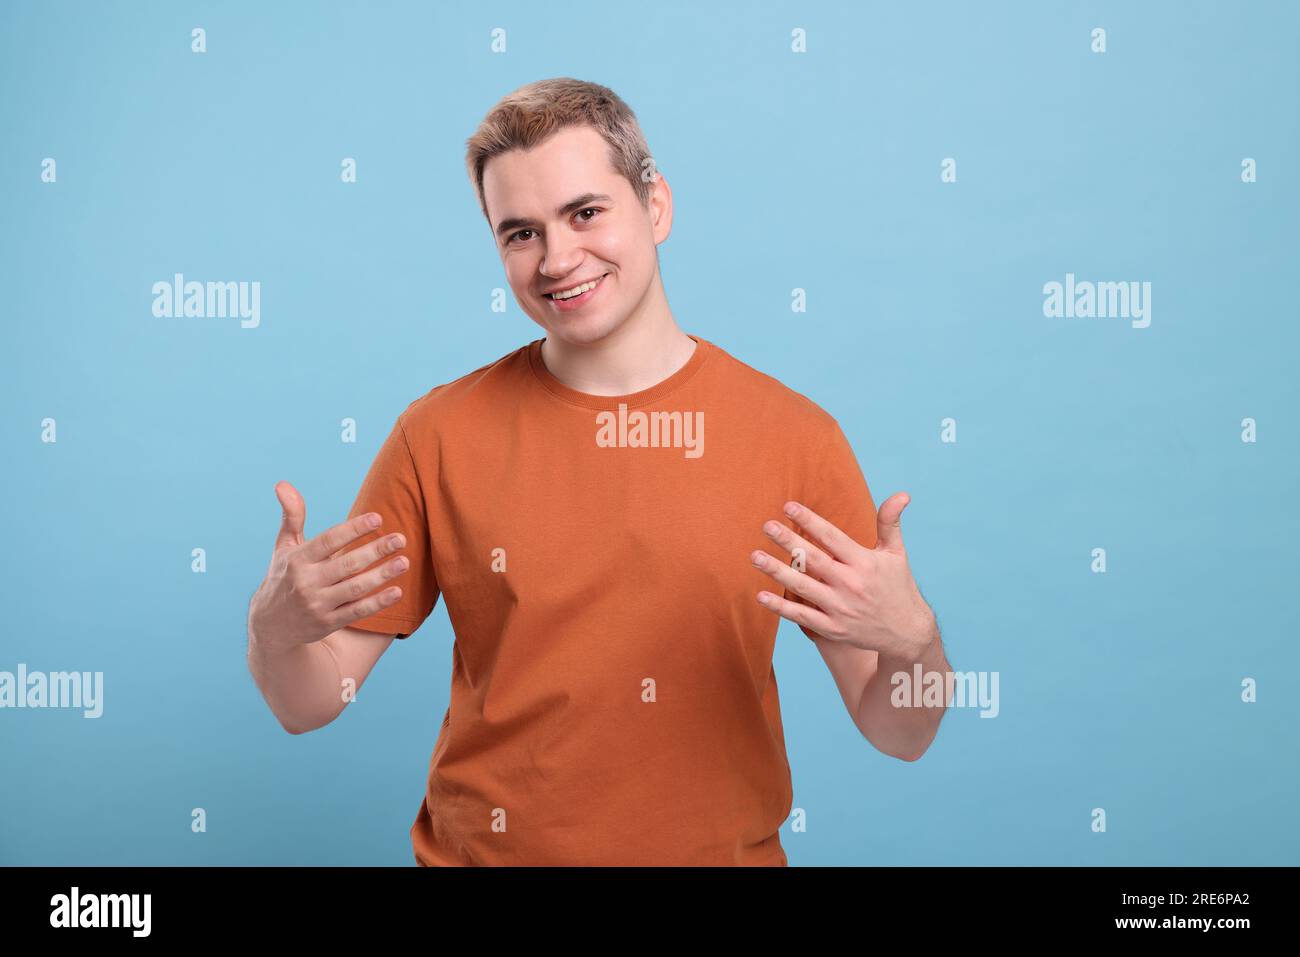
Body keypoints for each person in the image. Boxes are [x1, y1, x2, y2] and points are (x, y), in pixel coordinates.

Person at [247, 77, 950, 866]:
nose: (557, 259)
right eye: (520, 233)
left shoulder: (795, 439)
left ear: (656, 207)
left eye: (586, 213)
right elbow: (311, 702)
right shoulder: (435, 435)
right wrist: (273, 634)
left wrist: (914, 642)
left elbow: (901, 729)